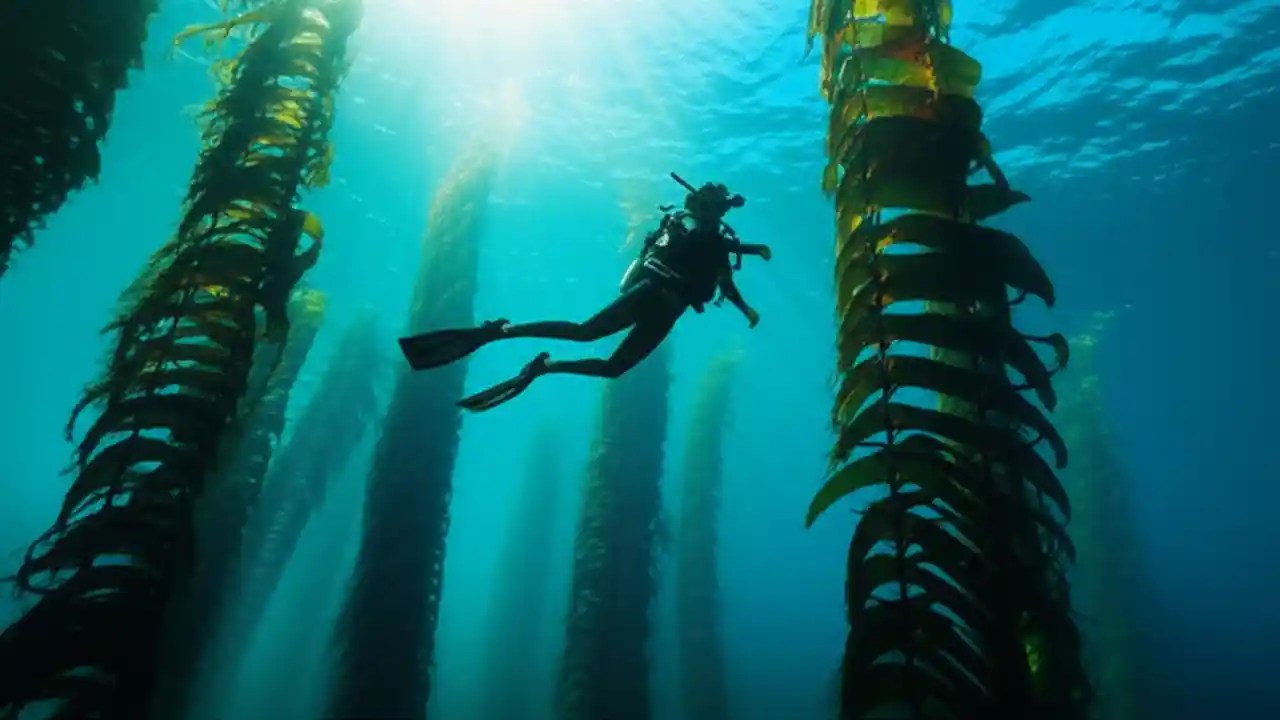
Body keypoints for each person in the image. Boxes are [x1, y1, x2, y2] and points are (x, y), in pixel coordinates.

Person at [398, 173, 772, 412]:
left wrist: (746, 308)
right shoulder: (690, 225)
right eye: (719, 204)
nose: (722, 211)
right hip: (652, 292)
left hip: (669, 312)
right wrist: (748, 252)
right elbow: (698, 239)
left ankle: (544, 368)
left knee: (613, 369)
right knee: (584, 331)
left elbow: (726, 284)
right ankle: (500, 331)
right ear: (708, 205)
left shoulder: (717, 240)